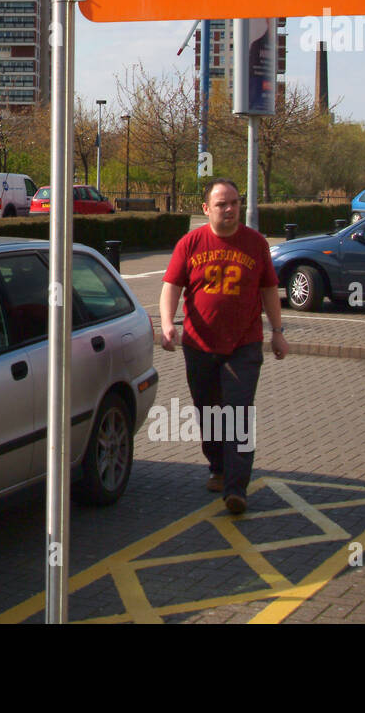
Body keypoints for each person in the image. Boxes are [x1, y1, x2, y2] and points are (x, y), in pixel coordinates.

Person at [158, 178, 288, 515]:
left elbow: (269, 289)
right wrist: (167, 324)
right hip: (199, 345)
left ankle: (236, 488)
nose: (229, 209)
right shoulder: (191, 243)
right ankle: (218, 465)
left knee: (239, 413)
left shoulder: (255, 243)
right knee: (209, 411)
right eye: (221, 204)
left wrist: (277, 330)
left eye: (234, 203)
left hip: (244, 345)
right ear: (206, 209)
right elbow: (171, 285)